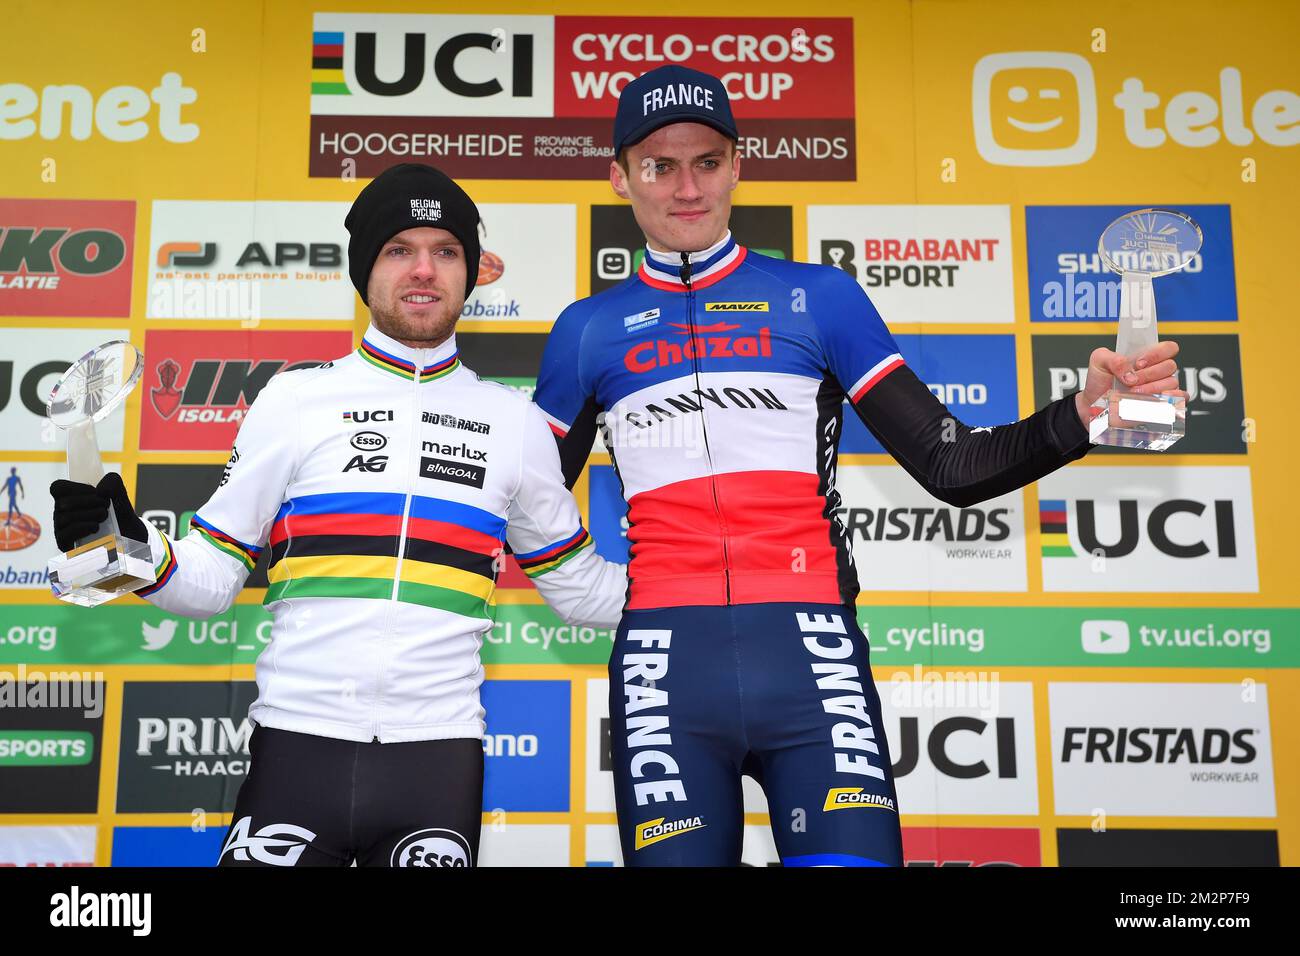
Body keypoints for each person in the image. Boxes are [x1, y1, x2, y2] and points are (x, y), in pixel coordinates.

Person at [535, 65, 1184, 867]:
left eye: (706, 161)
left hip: (813, 661)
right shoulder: (587, 331)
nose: (686, 187)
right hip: (664, 673)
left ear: (738, 164)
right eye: (659, 166)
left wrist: (1082, 416)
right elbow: (525, 494)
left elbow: (953, 465)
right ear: (620, 178)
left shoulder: (818, 298)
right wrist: (587, 587)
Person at [49, 163, 627, 868]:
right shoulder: (293, 401)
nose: (423, 270)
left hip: (437, 760)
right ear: (365, 269)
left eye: (445, 251)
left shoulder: (515, 424)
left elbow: (584, 592)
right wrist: (127, 550)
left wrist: (723, 586)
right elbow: (208, 583)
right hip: (297, 749)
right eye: (398, 249)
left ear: (471, 272)